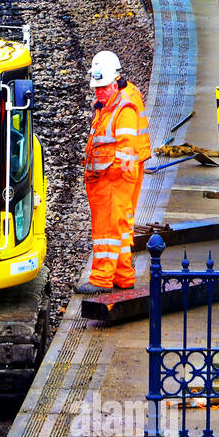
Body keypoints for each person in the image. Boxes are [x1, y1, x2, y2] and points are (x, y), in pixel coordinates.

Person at [80, 51, 147, 294]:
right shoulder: (107, 107)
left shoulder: (122, 108)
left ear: (114, 82)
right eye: (96, 87)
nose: (99, 91)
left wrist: (111, 180)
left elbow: (126, 152)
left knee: (107, 230)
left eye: (103, 87)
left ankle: (101, 279)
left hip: (112, 180)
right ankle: (123, 275)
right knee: (119, 227)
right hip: (107, 179)